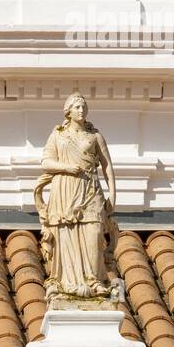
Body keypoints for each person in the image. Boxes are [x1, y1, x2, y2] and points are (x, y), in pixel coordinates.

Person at [35, 92, 117, 298]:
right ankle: (68, 280)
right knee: (66, 234)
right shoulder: (58, 135)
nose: (82, 110)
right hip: (65, 190)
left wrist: (113, 194)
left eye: (84, 107)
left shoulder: (95, 136)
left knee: (95, 232)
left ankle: (95, 279)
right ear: (68, 111)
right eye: (77, 107)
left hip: (90, 189)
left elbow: (107, 166)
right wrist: (66, 168)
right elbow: (45, 162)